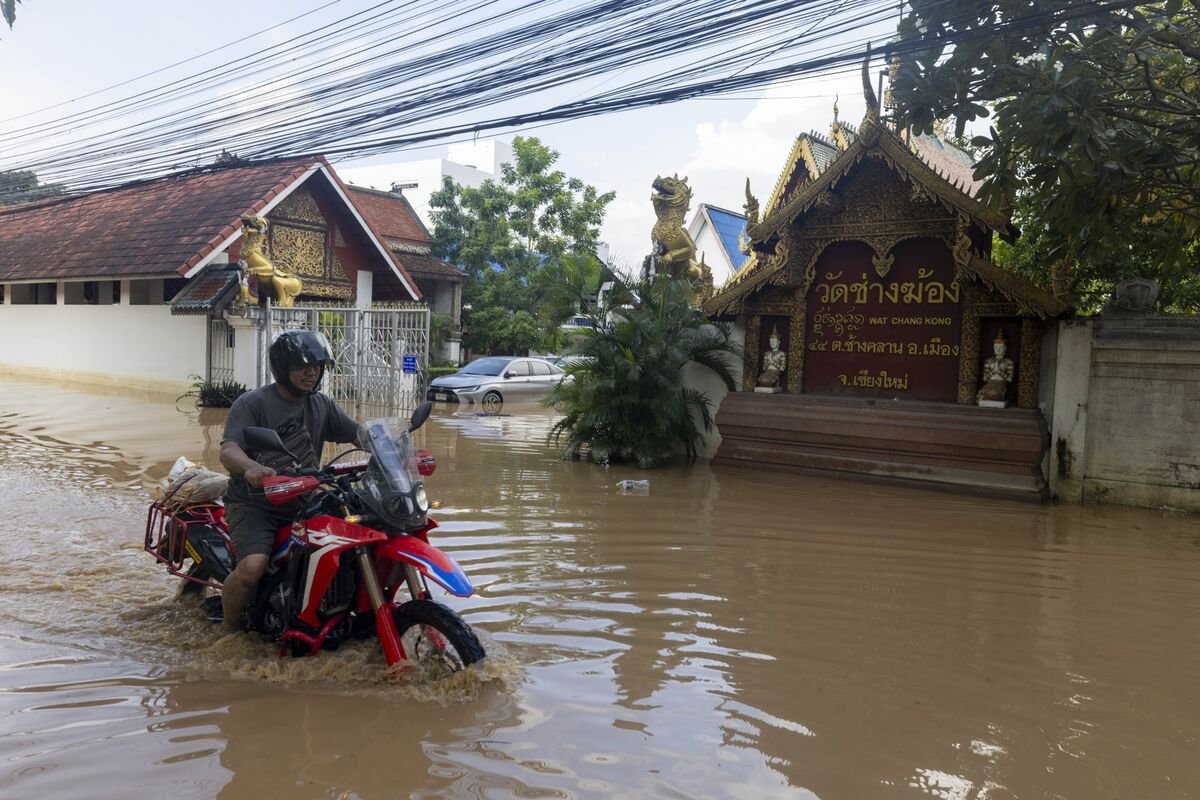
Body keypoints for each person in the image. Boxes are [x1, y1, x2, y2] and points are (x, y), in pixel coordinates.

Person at [218, 329, 359, 633]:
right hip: (256, 503)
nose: (311, 372)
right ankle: (229, 630)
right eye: (301, 366)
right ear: (283, 369)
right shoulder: (253, 403)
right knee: (253, 567)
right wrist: (251, 467)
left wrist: (394, 447)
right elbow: (229, 449)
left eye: (316, 366)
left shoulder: (321, 404)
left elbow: (357, 434)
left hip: (306, 497)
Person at [977, 330, 1015, 404]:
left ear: (1005, 348)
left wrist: (999, 372)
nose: (998, 349)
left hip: (1001, 384)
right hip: (990, 383)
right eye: (996, 347)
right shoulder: (988, 361)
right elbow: (985, 378)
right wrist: (993, 371)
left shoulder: (1008, 362)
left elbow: (1010, 379)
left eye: (1001, 347)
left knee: (995, 395)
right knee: (986, 394)